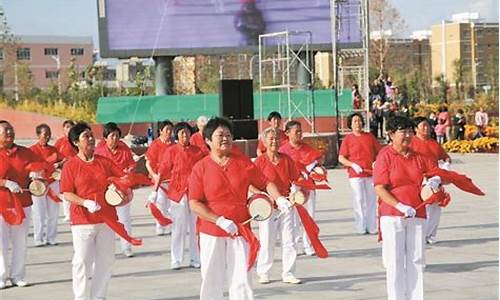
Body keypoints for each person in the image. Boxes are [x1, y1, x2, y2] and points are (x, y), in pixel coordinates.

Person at [188, 117, 286, 300]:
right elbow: (194, 203)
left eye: (228, 135)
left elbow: (265, 183)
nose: (225, 138)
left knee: (242, 278)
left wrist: (279, 198)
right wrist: (219, 220)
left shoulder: (243, 164)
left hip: (240, 229)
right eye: (220, 135)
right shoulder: (200, 168)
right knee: (211, 278)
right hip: (212, 231)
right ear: (208, 140)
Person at [60, 122, 127, 300]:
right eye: (86, 137)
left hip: (106, 219)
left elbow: (121, 180)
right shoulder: (71, 166)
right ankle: (80, 297)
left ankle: (99, 296)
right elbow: (67, 193)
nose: (91, 139)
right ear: (76, 142)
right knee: (81, 262)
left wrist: (123, 190)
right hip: (83, 221)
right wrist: (84, 202)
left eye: (91, 135)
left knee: (106, 261)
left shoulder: (104, 162)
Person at [373, 116, 437, 300]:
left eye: (410, 131)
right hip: (393, 215)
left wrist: (436, 179)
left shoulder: (419, 156)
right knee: (395, 261)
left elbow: (438, 174)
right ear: (391, 134)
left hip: (417, 212)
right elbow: (379, 187)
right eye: (403, 131)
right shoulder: (385, 156)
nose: (408, 135)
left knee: (417, 259)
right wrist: (399, 205)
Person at [151, 122, 204, 270]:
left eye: (187, 133)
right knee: (178, 228)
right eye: (181, 133)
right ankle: (176, 259)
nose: (185, 136)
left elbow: (205, 170)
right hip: (177, 194)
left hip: (194, 193)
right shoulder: (172, 151)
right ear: (177, 135)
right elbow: (162, 171)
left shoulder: (198, 152)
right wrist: (155, 191)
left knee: (195, 227)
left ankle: (196, 258)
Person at [253, 127, 302, 285]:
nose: (274, 141)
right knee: (267, 240)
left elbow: (296, 179)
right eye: (271, 138)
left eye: (277, 138)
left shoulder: (287, 160)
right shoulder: (259, 162)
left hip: (286, 205)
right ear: (264, 141)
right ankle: (263, 272)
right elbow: (249, 184)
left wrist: (296, 191)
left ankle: (288, 272)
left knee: (289, 240)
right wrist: (263, 196)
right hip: (267, 208)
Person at [0, 120, 41, 289]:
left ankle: (17, 275)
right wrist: (5, 183)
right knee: (1, 242)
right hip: (2, 204)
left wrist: (35, 174)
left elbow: (39, 167)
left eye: (11, 130)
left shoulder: (25, 152)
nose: (9, 133)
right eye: (5, 131)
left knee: (20, 241)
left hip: (23, 202)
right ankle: (1, 277)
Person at [279, 120, 324, 256]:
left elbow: (318, 163)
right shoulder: (283, 151)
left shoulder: (308, 149)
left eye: (300, 131)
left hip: (308, 187)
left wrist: (316, 169)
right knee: (293, 219)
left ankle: (308, 245)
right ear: (287, 133)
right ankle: (295, 244)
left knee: (309, 217)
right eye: (296, 131)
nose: (299, 134)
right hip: (292, 189)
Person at [94, 122, 136, 257]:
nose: (115, 139)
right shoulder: (99, 151)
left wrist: (128, 171)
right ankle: (107, 249)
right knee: (107, 221)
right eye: (112, 136)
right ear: (105, 138)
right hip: (105, 191)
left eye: (117, 136)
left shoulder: (124, 150)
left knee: (124, 219)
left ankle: (126, 246)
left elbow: (131, 165)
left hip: (122, 190)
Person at [338, 113, 382, 234]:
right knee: (359, 200)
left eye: (359, 121)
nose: (358, 123)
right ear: (350, 124)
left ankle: (372, 226)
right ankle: (360, 226)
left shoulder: (370, 137)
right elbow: (341, 158)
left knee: (371, 200)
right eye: (355, 121)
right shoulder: (348, 139)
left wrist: (376, 162)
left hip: (370, 173)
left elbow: (380, 153)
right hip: (355, 174)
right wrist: (352, 165)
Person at [410, 117, 451, 245]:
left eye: (427, 126)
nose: (426, 128)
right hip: (419, 180)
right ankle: (420, 235)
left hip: (435, 179)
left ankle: (431, 235)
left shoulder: (434, 143)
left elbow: (446, 158)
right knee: (423, 209)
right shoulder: (411, 143)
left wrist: (447, 165)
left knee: (436, 209)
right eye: (423, 126)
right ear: (416, 129)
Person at [29, 124, 64, 246]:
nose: (48, 136)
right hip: (38, 184)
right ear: (38, 135)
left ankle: (51, 237)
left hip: (52, 183)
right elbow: (27, 167)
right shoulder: (32, 150)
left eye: (49, 134)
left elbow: (63, 162)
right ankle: (38, 238)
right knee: (39, 212)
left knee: (53, 212)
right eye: (45, 134)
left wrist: (59, 165)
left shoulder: (54, 150)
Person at [145, 120, 175, 235]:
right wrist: (154, 175)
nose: (169, 132)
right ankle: (160, 226)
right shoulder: (155, 145)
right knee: (161, 203)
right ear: (160, 131)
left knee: (172, 205)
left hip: (172, 180)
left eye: (170, 130)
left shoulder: (174, 145)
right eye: (167, 130)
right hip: (160, 181)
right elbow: (148, 163)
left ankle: (172, 225)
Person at [54, 120, 77, 222]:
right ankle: (67, 213)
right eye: (67, 127)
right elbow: (54, 155)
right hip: (63, 171)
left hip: (76, 170)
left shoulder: (77, 140)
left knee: (76, 191)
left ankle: (75, 212)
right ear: (63, 129)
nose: (69, 129)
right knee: (65, 192)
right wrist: (58, 164)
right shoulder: (59, 142)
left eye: (71, 127)